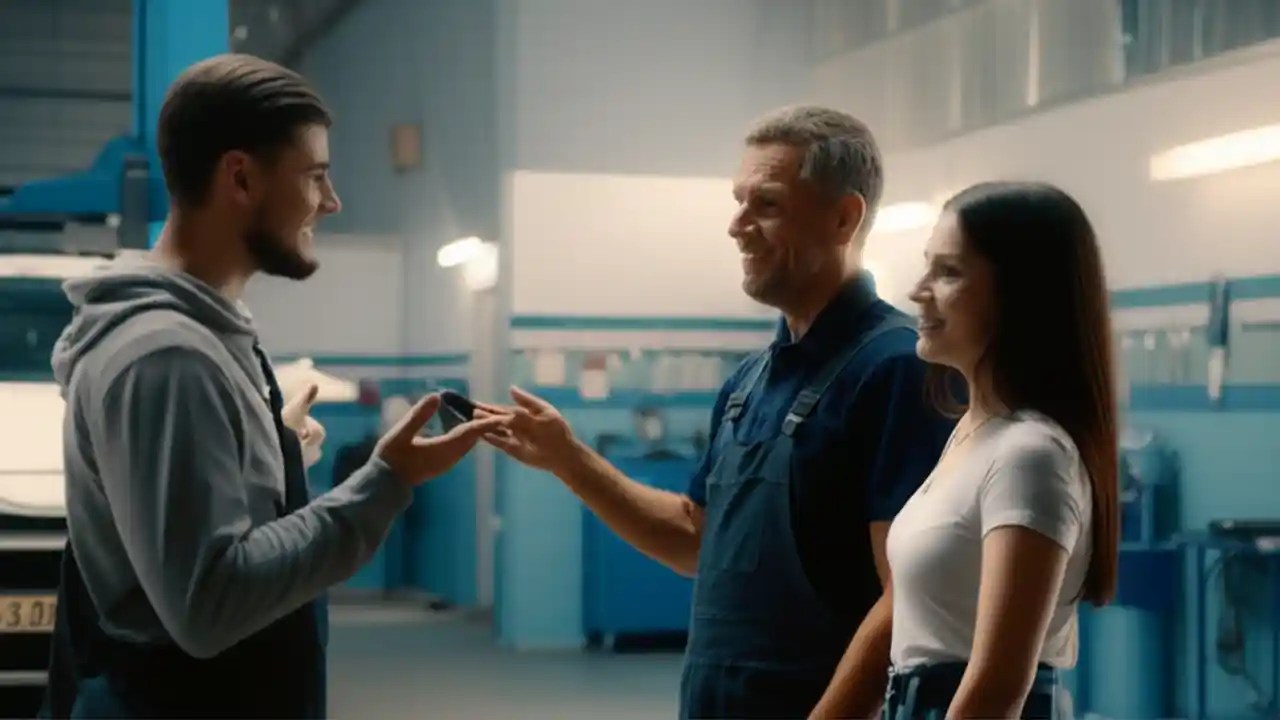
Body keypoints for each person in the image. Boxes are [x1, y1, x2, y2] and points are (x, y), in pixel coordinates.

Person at [40, 54, 506, 719]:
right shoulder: (167, 356)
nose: (332, 200)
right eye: (315, 176)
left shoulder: (205, 337)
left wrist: (269, 449)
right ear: (240, 176)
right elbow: (209, 603)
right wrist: (384, 483)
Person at [478, 105, 955, 719]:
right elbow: (692, 541)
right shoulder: (746, 385)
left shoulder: (896, 370)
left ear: (844, 216)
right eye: (739, 201)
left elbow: (908, 596)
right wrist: (568, 460)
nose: (737, 226)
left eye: (768, 205)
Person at [876, 181, 1119, 718]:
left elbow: (998, 684)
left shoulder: (1031, 454)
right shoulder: (972, 433)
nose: (919, 290)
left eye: (948, 272)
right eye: (927, 267)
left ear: (1019, 294)